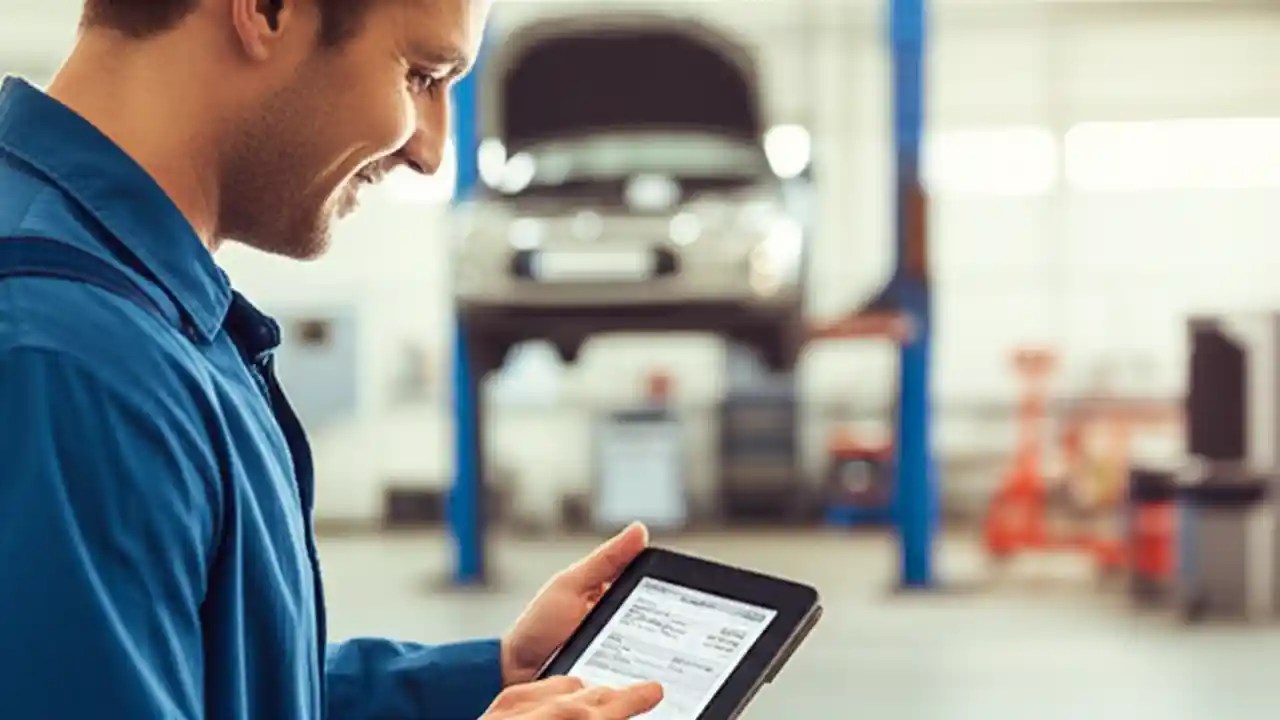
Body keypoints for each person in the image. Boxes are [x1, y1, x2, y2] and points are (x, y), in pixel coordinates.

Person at [0, 1, 663, 718]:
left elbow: (224, 682)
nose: (431, 150)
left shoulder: (127, 305)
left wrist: (491, 675)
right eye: (420, 75)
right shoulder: (64, 356)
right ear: (267, 10)